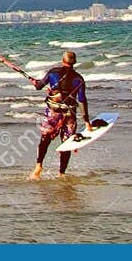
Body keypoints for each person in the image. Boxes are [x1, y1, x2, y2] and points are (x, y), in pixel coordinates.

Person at [30, 50, 93, 179]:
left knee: (45, 138)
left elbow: (39, 86)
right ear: (75, 62)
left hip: (53, 112)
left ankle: (38, 166)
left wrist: (35, 82)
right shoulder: (79, 79)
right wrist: (87, 122)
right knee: (67, 143)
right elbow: (81, 100)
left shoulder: (53, 72)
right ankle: (61, 173)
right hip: (70, 114)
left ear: (62, 60)